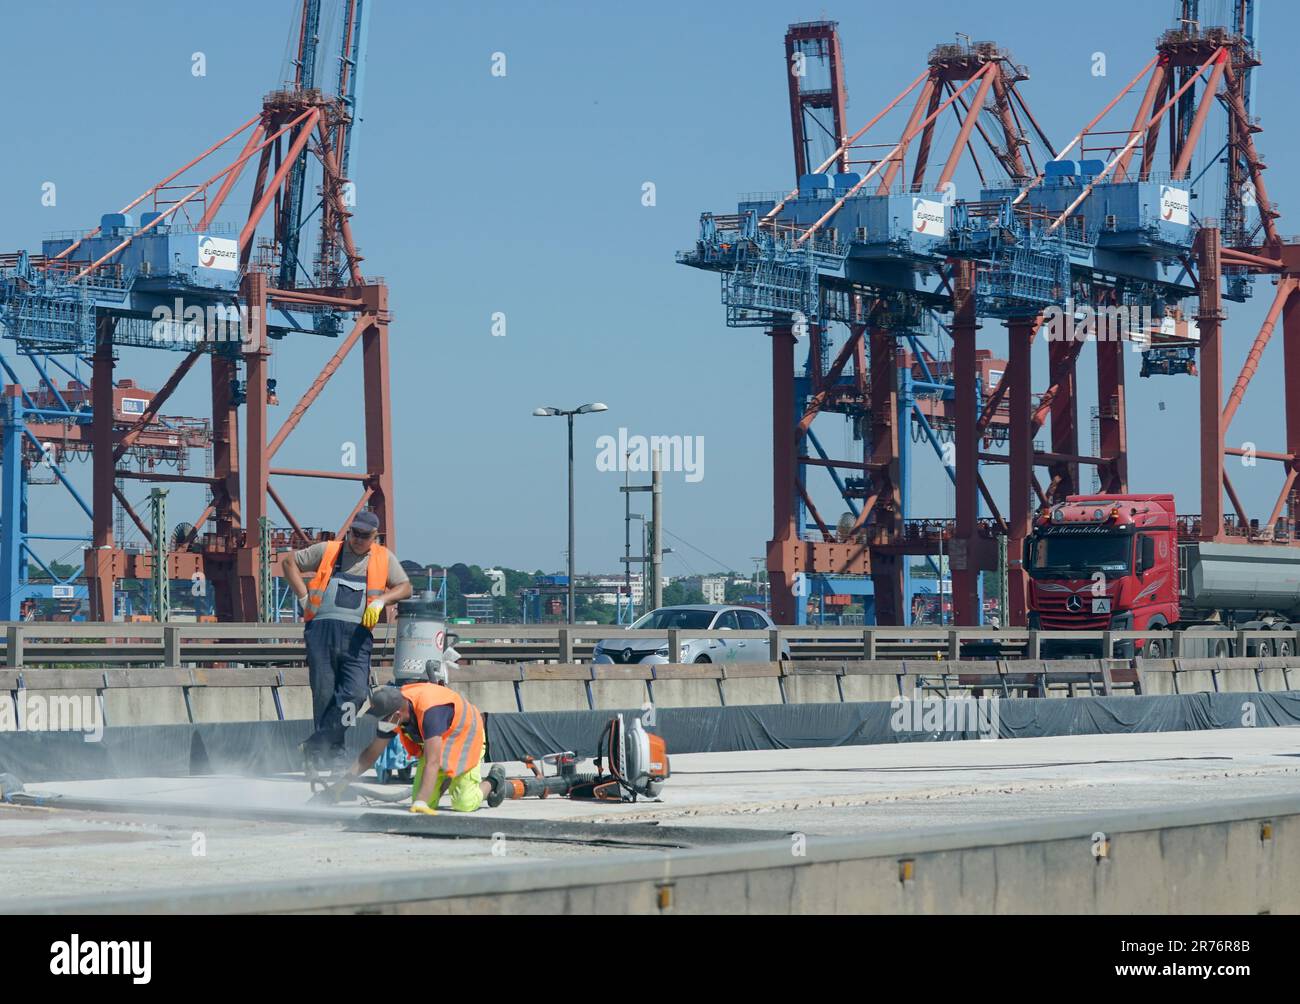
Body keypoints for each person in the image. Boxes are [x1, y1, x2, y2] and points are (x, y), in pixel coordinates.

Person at [282, 511, 411, 773]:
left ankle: (316, 744)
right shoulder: (327, 550)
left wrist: (382, 600)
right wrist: (304, 597)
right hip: (321, 630)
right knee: (324, 694)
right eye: (355, 533)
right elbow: (288, 563)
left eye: (365, 536)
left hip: (358, 636)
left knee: (356, 693)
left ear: (375, 537)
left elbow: (405, 587)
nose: (358, 540)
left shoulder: (383, 558)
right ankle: (332, 756)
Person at [352, 683, 507, 813]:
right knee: (427, 801)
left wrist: (420, 802)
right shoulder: (392, 710)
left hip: (467, 736)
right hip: (439, 739)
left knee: (464, 803)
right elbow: (370, 755)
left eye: (382, 720)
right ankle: (447, 779)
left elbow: (432, 762)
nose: (380, 724)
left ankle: (494, 780)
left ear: (396, 714)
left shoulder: (430, 712)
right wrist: (342, 783)